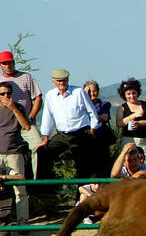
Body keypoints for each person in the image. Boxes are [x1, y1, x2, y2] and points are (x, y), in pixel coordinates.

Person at [38, 69, 108, 193]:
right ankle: (44, 189)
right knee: (43, 152)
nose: (62, 83)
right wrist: (46, 137)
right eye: (59, 81)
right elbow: (47, 116)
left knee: (83, 167)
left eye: (64, 80)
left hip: (81, 133)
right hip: (62, 135)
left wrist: (92, 129)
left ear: (68, 80)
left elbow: (91, 111)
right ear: (54, 82)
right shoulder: (50, 95)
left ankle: (81, 197)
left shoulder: (79, 92)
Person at [0, 81, 33, 223]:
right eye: (2, 93)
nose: (6, 96)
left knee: (20, 190)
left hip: (14, 152)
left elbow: (26, 126)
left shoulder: (18, 107)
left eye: (8, 93)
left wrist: (14, 109)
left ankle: (22, 221)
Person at [115, 79, 146, 166]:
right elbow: (119, 123)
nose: (132, 96)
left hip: (145, 141)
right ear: (124, 95)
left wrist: (139, 123)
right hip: (128, 140)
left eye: (133, 93)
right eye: (128, 94)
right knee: (128, 165)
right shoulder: (122, 108)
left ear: (137, 93)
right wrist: (133, 116)